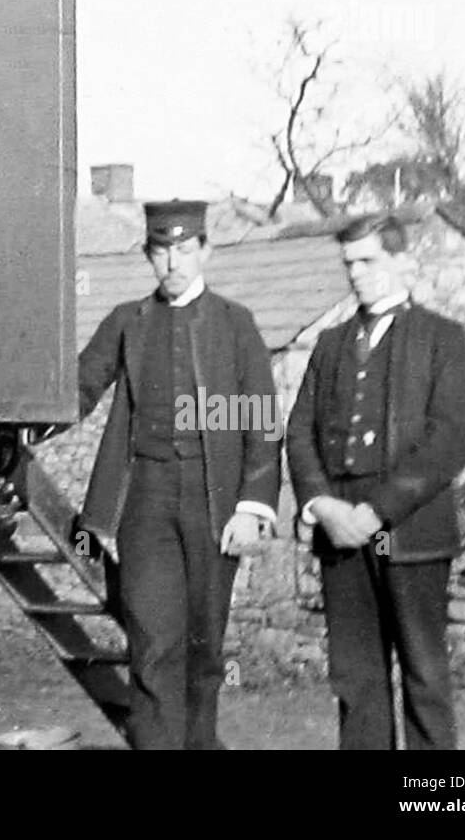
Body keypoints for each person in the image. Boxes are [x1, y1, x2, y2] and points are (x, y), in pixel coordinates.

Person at [77, 200, 281, 750]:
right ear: (149, 256)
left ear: (205, 251)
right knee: (150, 642)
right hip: (144, 498)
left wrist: (252, 506)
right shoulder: (126, 321)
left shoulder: (234, 324)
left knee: (203, 645)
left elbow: (261, 420)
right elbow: (79, 387)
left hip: (214, 501)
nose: (174, 264)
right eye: (162, 252)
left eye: (185, 250)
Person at [286, 211, 465, 750]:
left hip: (412, 530)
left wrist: (376, 512)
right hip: (339, 532)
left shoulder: (444, 338)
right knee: (356, 679)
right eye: (349, 263)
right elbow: (300, 433)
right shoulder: (329, 344)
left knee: (425, 676)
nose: (357, 273)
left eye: (368, 260)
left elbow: (450, 439)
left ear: (402, 259)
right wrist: (322, 505)